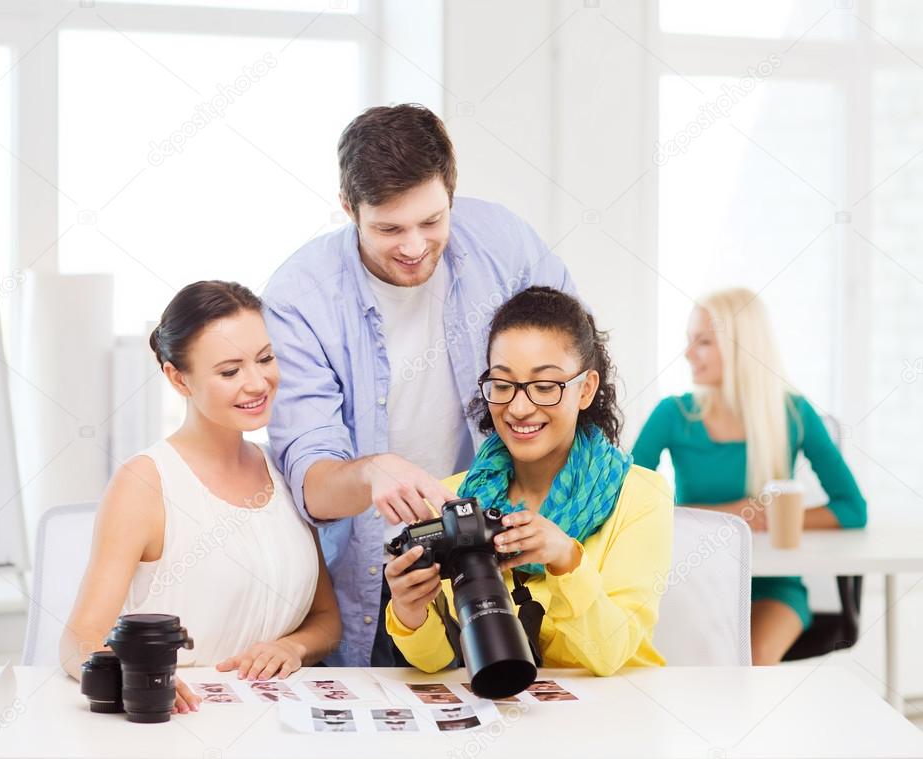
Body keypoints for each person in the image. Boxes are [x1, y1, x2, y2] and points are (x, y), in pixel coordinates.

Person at [263, 103, 577, 666]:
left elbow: (574, 367)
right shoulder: (299, 296)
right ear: (348, 208)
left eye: (432, 221)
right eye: (389, 228)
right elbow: (312, 486)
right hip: (377, 576)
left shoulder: (504, 244)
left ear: (451, 194)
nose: (413, 246)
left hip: (505, 560)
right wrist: (373, 472)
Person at [60, 281, 341, 714]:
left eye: (265, 359)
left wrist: (293, 646)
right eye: (230, 372)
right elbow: (79, 639)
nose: (257, 382)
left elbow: (327, 620)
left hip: (278, 718)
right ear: (178, 378)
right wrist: (137, 678)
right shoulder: (145, 482)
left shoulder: (285, 469)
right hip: (175, 718)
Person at [384, 287, 672, 676]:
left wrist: (566, 559)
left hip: (618, 706)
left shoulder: (640, 495)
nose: (519, 408)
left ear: (585, 389)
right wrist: (409, 609)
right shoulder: (452, 497)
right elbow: (435, 662)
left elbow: (610, 654)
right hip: (505, 702)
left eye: (545, 387)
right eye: (503, 385)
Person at [632, 287, 867, 664]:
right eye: (690, 340)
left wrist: (776, 517)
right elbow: (626, 504)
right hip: (692, 582)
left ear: (742, 348)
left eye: (703, 342)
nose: (688, 353)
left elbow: (853, 510)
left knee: (752, 657)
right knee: (692, 659)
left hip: (773, 588)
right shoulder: (672, 414)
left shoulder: (794, 413)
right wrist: (732, 514)